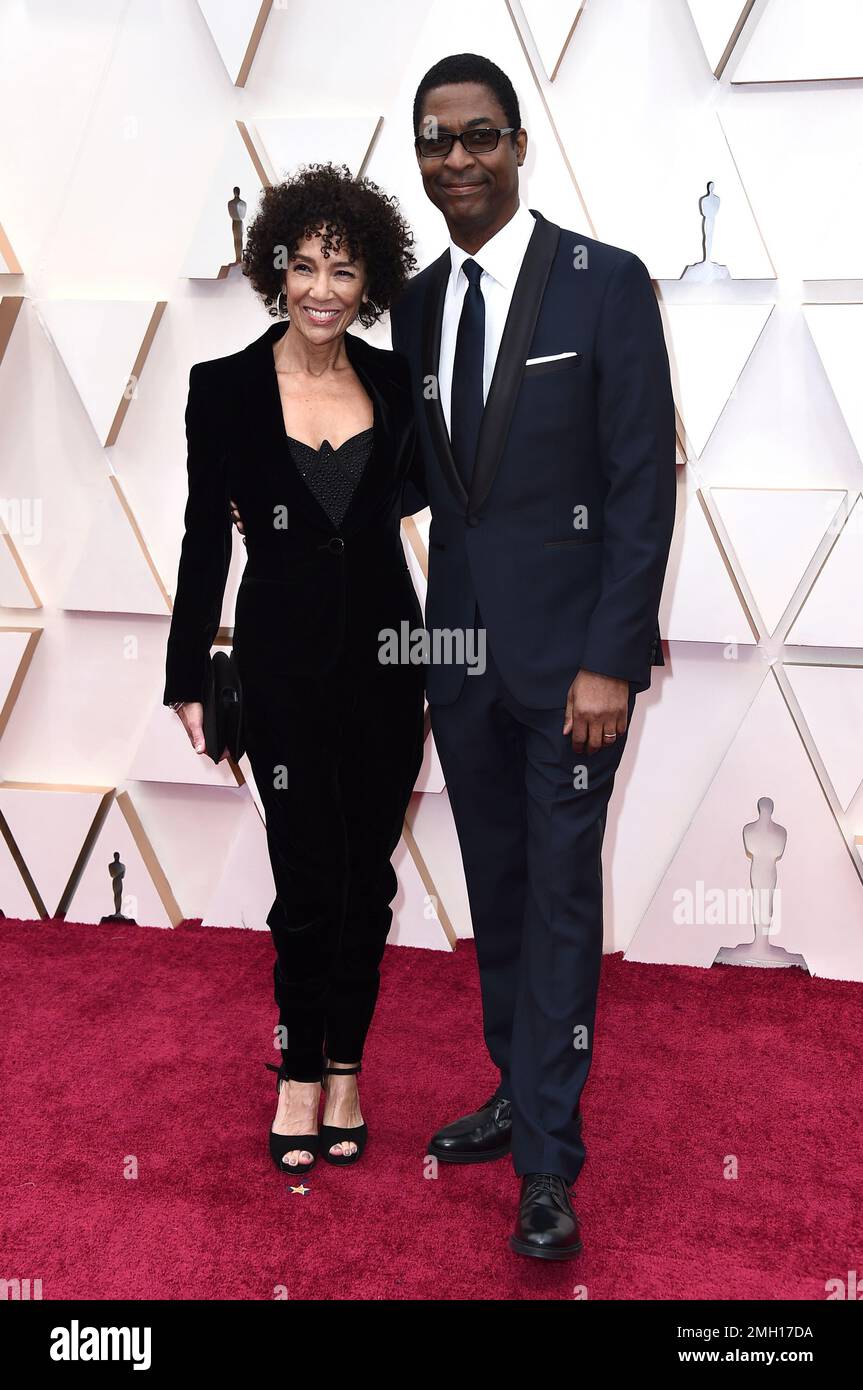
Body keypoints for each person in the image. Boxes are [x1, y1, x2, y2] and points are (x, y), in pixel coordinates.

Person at [388, 53, 677, 1260]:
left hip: (572, 678)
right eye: (434, 141)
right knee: (497, 898)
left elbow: (637, 478)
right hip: (459, 664)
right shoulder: (411, 303)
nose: (455, 158)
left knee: (559, 902)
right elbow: (423, 480)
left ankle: (551, 1167)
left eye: (477, 136)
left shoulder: (599, 283)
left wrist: (609, 656)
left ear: (517, 144)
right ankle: (517, 1089)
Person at [163, 163, 425, 1174]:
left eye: (343, 269)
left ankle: (349, 1066)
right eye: (304, 266)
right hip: (277, 669)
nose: (322, 288)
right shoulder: (221, 387)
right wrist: (188, 674)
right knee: (305, 882)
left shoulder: (396, 384)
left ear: (370, 282)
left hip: (388, 665)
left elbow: (448, 513)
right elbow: (201, 541)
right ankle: (297, 1075)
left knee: (367, 882)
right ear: (277, 269)